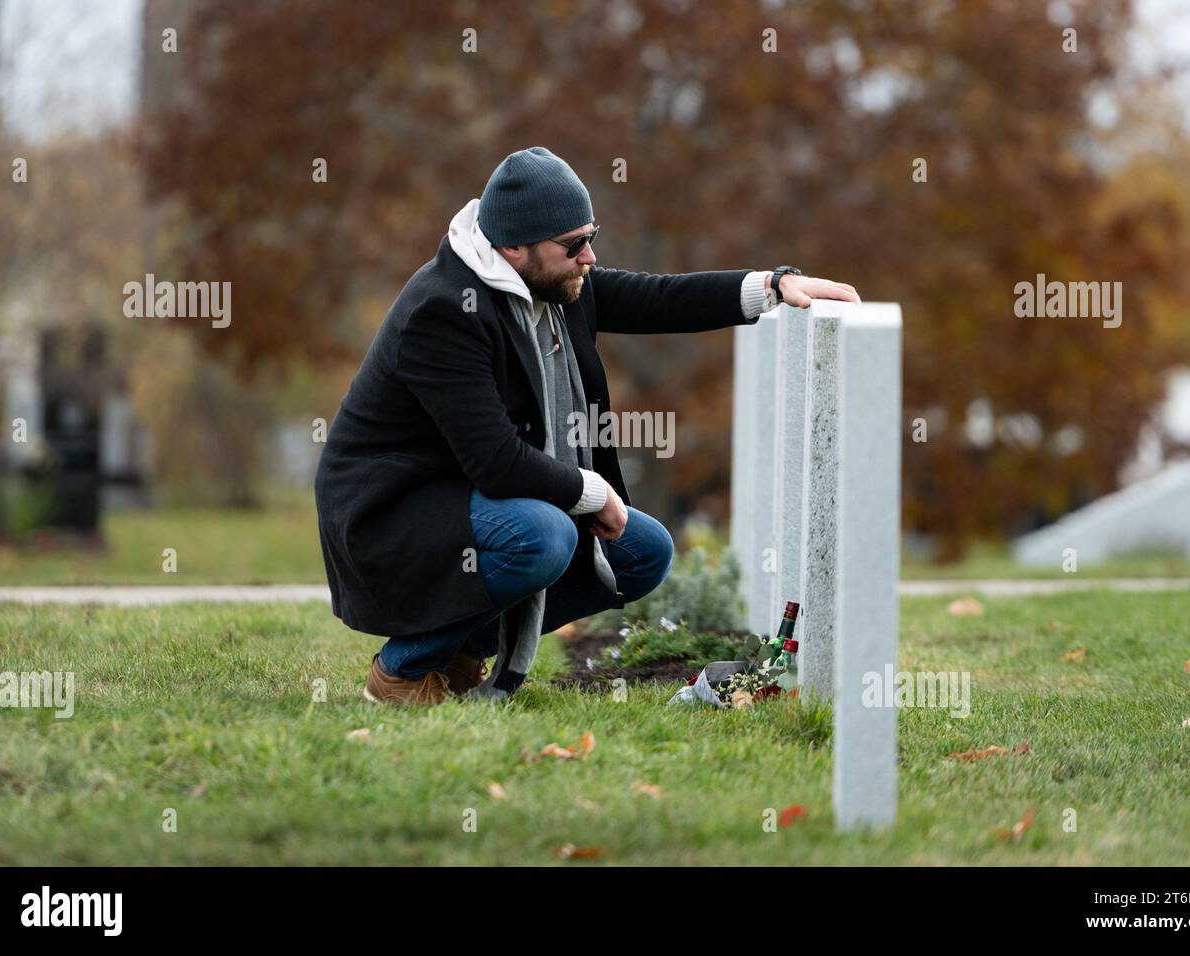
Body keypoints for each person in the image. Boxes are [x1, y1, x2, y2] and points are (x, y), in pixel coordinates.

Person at [314, 146, 859, 706]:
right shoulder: (447, 311)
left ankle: (456, 652)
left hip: (467, 496)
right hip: (392, 512)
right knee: (543, 537)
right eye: (574, 244)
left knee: (642, 552)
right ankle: (400, 671)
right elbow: (496, 462)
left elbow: (657, 299)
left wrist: (772, 286)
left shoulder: (552, 285)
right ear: (514, 248)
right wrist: (590, 492)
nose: (590, 256)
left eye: (590, 236)